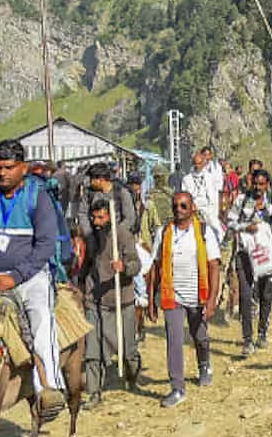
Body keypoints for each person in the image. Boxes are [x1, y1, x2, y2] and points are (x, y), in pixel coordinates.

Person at [0, 139, 68, 421]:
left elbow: (45, 245)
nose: (2, 173)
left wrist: (16, 276)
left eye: (9, 167)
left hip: (29, 276)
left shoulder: (38, 198)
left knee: (41, 318)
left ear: (24, 168)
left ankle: (48, 387)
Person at [147, 192, 221, 408]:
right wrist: (151, 301)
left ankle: (204, 364)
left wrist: (212, 300)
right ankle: (177, 388)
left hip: (198, 295)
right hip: (172, 296)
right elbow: (155, 268)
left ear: (192, 208)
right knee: (174, 341)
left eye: (183, 206)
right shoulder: (164, 233)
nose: (178, 210)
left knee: (200, 335)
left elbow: (214, 266)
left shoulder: (204, 232)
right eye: (175, 206)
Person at [79, 200, 142, 405]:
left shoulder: (123, 235)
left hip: (121, 301)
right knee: (93, 351)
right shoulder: (91, 238)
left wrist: (124, 267)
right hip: (95, 301)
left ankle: (132, 374)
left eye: (101, 218)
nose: (97, 222)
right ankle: (94, 393)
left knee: (128, 351)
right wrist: (80, 283)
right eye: (94, 218)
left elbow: (136, 264)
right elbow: (87, 264)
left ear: (110, 216)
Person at [225, 169, 272, 355]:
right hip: (245, 254)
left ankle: (262, 333)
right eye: (255, 184)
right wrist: (246, 227)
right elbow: (230, 222)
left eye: (262, 184)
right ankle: (247, 340)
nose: (258, 188)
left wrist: (271, 211)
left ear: (267, 185)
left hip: (266, 255)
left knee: (267, 294)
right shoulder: (242, 201)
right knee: (246, 296)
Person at [128, 172, 162, 343]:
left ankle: (150, 305)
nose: (136, 188)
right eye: (133, 185)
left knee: (153, 278)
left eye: (137, 185)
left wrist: (153, 245)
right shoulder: (123, 205)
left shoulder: (149, 206)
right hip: (128, 245)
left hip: (145, 245)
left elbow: (156, 226)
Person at [75, 162, 136, 237]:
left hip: (117, 237)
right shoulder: (89, 193)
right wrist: (89, 235)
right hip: (95, 236)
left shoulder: (122, 193)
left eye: (92, 179)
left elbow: (129, 218)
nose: (90, 182)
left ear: (101, 180)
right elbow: (82, 213)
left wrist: (115, 234)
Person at [181, 150, 223, 242]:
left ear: (203, 163)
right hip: (193, 209)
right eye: (195, 164)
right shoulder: (186, 179)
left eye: (199, 163)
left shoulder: (209, 177)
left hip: (208, 209)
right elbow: (184, 197)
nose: (197, 166)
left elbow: (213, 196)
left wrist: (213, 212)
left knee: (217, 230)